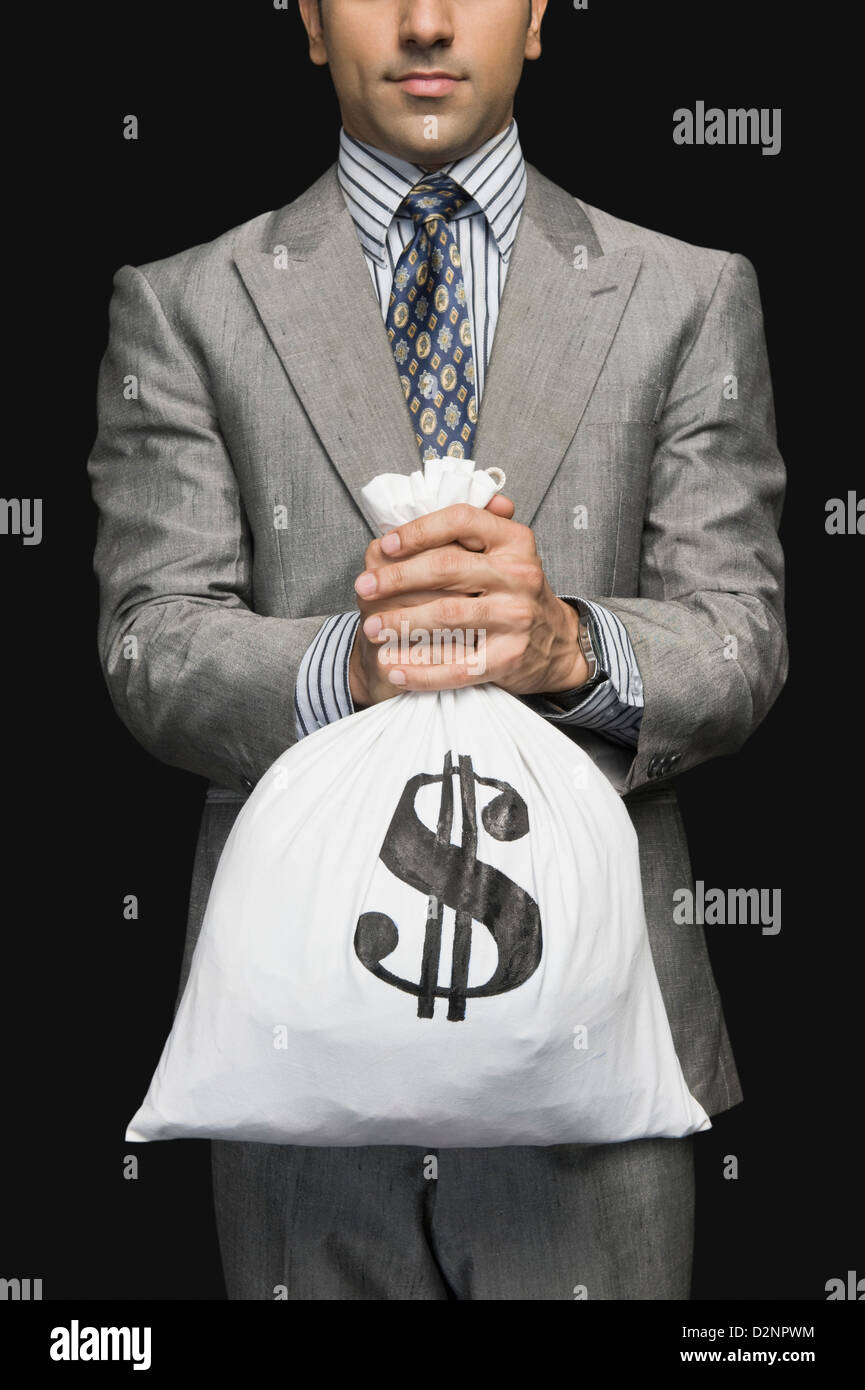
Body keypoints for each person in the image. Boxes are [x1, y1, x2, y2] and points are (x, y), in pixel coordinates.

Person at [87, 0, 787, 1300]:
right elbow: (149, 642)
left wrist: (566, 643)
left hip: (595, 1047)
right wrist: (349, 666)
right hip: (296, 1057)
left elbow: (738, 641)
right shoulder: (184, 307)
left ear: (537, 16)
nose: (421, 21)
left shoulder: (685, 295)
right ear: (304, 18)